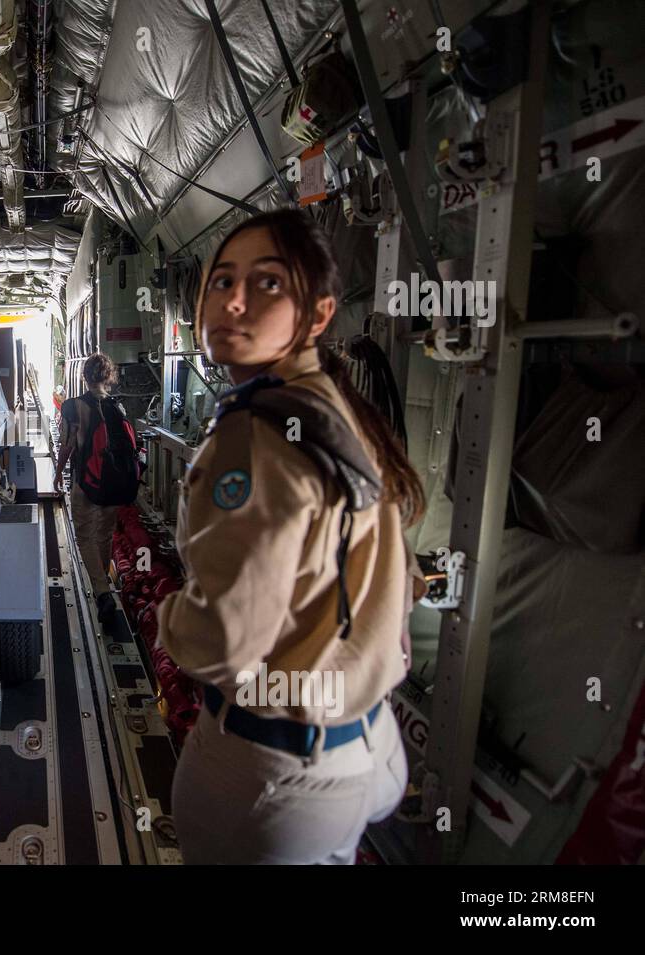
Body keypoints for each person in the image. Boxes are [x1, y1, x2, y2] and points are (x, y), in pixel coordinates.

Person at [157, 209, 425, 864]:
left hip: (276, 770)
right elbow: (405, 586)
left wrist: (169, 617)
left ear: (320, 313)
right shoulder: (335, 406)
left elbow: (224, 639)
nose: (234, 300)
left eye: (268, 283)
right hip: (368, 744)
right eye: (221, 281)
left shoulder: (255, 435)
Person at [54, 352, 127, 603]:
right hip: (114, 483)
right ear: (109, 377)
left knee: (84, 535)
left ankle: (102, 591)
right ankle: (103, 580)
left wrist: (57, 473)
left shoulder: (73, 406)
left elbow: (66, 445)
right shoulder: (118, 406)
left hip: (85, 482)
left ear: (84, 376)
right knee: (104, 534)